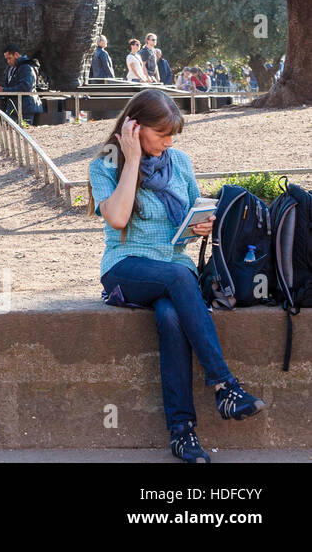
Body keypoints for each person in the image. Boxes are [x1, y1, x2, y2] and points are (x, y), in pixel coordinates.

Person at [89, 89, 267, 463]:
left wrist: (201, 225)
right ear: (135, 128)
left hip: (174, 269)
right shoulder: (105, 163)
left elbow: (194, 209)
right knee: (177, 278)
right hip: (127, 267)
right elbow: (118, 218)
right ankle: (225, 385)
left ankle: (182, 434)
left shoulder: (179, 162)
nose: (168, 143)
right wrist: (133, 159)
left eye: (172, 136)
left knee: (172, 315)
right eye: (162, 135)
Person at [0, 44, 42, 125]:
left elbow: (25, 87)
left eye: (9, 58)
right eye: (6, 59)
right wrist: (0, 91)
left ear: (16, 54)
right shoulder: (14, 68)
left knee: (24, 133)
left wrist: (4, 90)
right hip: (16, 107)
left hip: (25, 108)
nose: (8, 61)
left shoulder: (26, 67)